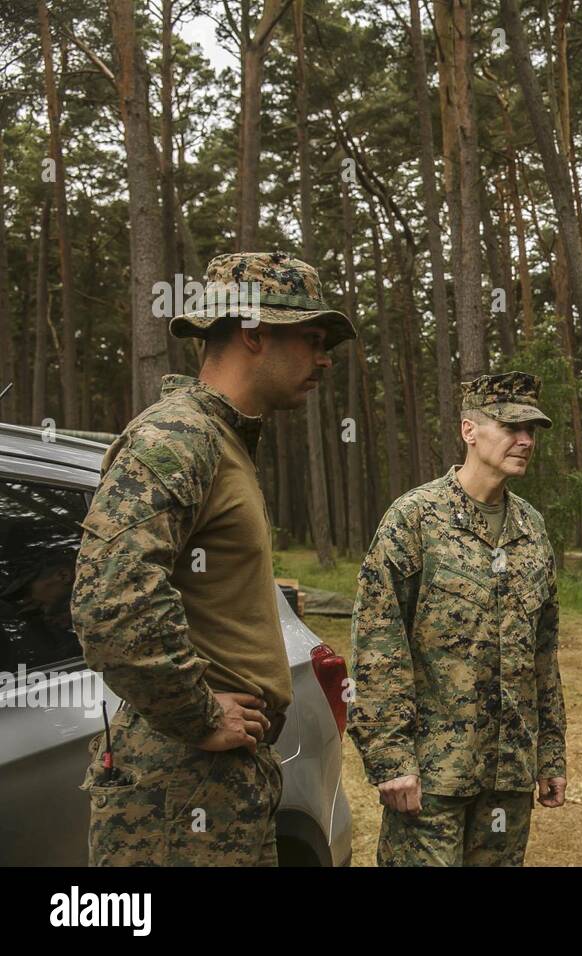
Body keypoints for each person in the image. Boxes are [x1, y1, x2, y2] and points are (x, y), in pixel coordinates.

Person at [72, 251, 356, 865]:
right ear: (253, 332)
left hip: (216, 773)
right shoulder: (178, 436)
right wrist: (198, 714)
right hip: (182, 775)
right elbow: (110, 600)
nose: (325, 358)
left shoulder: (221, 439)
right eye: (311, 337)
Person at [349, 371, 566, 866]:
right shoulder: (416, 519)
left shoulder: (530, 528)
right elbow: (378, 647)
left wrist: (549, 754)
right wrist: (391, 759)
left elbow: (544, 656)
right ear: (469, 430)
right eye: (511, 426)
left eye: (532, 428)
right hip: (431, 775)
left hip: (508, 773)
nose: (526, 440)